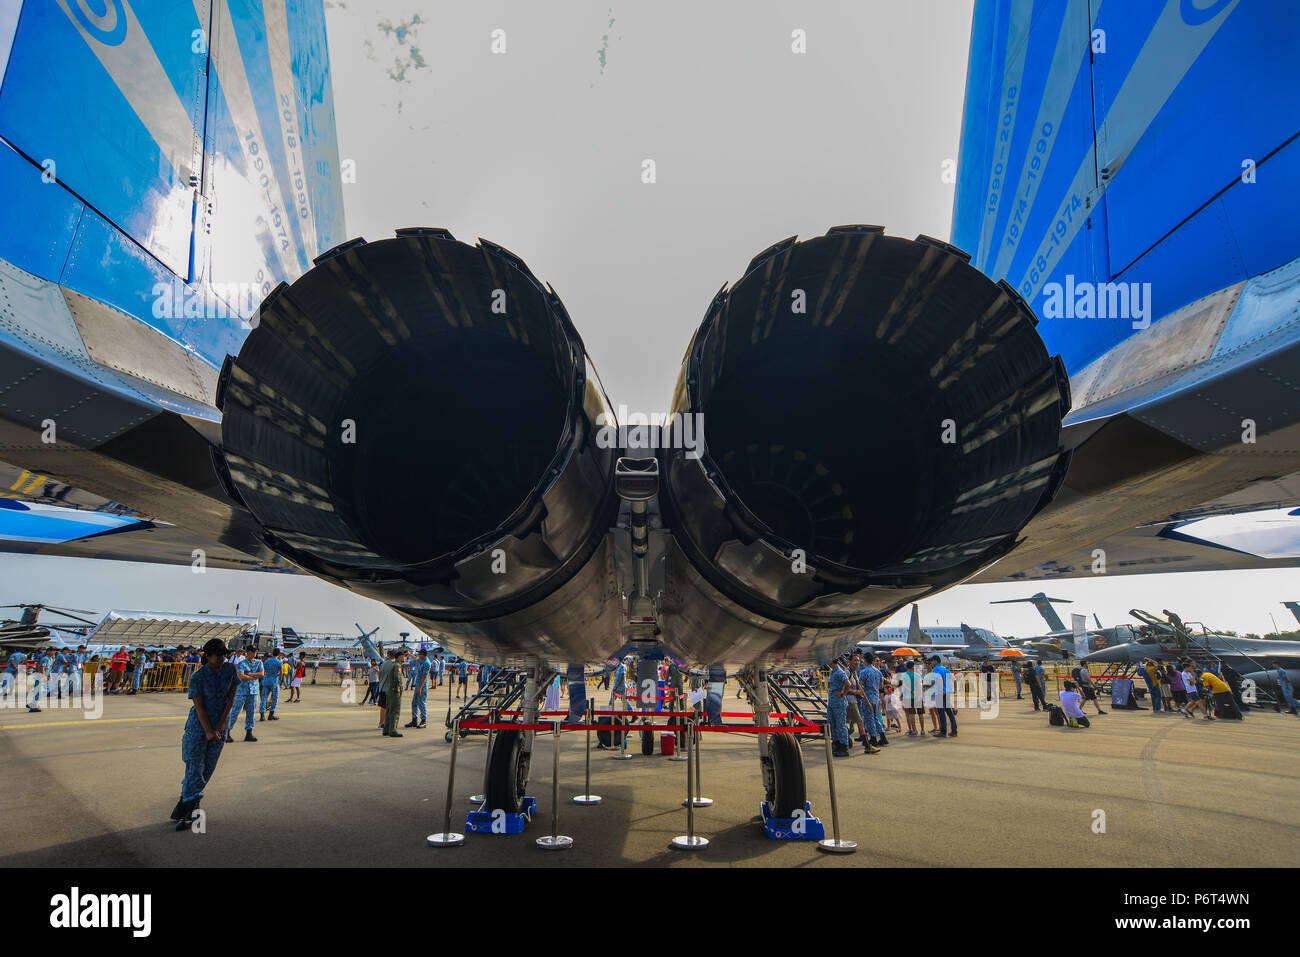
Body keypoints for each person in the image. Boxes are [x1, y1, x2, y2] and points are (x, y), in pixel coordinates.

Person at [172, 638, 238, 831]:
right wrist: (208, 730)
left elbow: (230, 700)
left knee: (207, 768)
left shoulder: (229, 671)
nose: (222, 658)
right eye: (218, 654)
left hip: (219, 725)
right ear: (207, 656)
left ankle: (184, 803)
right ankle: (190, 810)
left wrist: (218, 726)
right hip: (198, 727)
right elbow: (199, 707)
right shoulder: (198, 677)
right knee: (194, 766)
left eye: (224, 654)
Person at [226, 648, 262, 742]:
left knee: (251, 712)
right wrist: (254, 676)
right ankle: (227, 732)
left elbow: (262, 674)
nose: (255, 653)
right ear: (248, 653)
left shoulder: (258, 662)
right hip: (242, 691)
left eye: (256, 652)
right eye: (253, 651)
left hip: (253, 691)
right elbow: (241, 676)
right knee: (234, 711)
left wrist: (249, 674)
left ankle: (249, 733)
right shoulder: (242, 663)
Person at [859, 654, 888, 748]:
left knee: (869, 718)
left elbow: (859, 685)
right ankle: (883, 736)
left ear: (865, 660)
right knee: (875, 717)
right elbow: (881, 686)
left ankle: (873, 738)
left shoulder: (864, 672)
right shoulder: (878, 672)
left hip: (867, 697)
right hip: (876, 697)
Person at [826, 657, 852, 757]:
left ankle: (843, 746)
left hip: (838, 703)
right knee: (832, 724)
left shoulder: (839, 672)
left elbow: (848, 684)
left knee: (841, 725)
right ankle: (836, 744)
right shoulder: (833, 671)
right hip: (832, 703)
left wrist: (843, 693)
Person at [928, 656, 957, 737]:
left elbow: (939, 680)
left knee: (941, 713)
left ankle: (943, 731)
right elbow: (954, 679)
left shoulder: (936, 669)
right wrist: (954, 689)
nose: (931, 663)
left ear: (936, 661)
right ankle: (954, 730)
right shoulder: (945, 668)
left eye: (932, 661)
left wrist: (941, 691)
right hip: (947, 691)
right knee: (949, 712)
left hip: (940, 693)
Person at [405, 649, 431, 729]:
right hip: (417, 685)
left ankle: (423, 721)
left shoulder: (427, 663)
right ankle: (414, 720)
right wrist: (409, 654)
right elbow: (415, 658)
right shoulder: (421, 660)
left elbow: (425, 677)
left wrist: (420, 688)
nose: (418, 655)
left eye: (419, 654)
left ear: (423, 654)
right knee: (414, 703)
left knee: (422, 703)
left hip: (422, 686)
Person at [899, 659, 926, 736]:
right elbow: (919, 685)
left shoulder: (904, 675)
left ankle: (914, 730)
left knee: (911, 714)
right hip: (918, 696)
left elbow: (904, 686)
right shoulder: (917, 675)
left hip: (908, 696)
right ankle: (923, 730)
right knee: (920, 713)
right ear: (913, 667)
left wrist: (906, 693)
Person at [382, 650, 405, 737]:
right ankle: (393, 730)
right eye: (403, 656)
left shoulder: (393, 665)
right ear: (399, 657)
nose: (404, 658)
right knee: (395, 710)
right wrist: (399, 687)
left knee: (389, 710)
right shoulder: (397, 666)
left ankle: (386, 729)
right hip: (395, 691)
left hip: (390, 690)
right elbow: (397, 677)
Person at [259, 649, 283, 721]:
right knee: (275, 698)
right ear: (278, 654)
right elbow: (281, 672)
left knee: (264, 698)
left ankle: (262, 715)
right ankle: (271, 714)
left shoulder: (266, 662)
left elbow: (264, 671)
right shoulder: (279, 662)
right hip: (274, 681)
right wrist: (276, 674)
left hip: (266, 680)